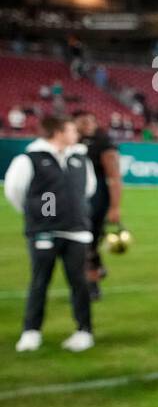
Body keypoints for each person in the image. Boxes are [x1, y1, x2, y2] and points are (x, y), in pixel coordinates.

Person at [4, 116, 97, 353]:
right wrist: (41, 216)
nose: (76, 134)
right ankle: (31, 332)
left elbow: (88, 189)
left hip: (76, 232)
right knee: (39, 282)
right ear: (57, 132)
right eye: (70, 129)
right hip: (43, 232)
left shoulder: (80, 158)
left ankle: (84, 331)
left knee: (80, 283)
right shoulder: (29, 159)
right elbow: (15, 191)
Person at [73, 111, 122, 301]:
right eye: (82, 121)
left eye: (90, 121)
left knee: (88, 243)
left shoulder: (103, 142)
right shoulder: (70, 142)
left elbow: (114, 177)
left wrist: (115, 207)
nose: (86, 125)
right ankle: (95, 272)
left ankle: (92, 284)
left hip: (96, 199)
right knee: (81, 242)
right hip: (75, 198)